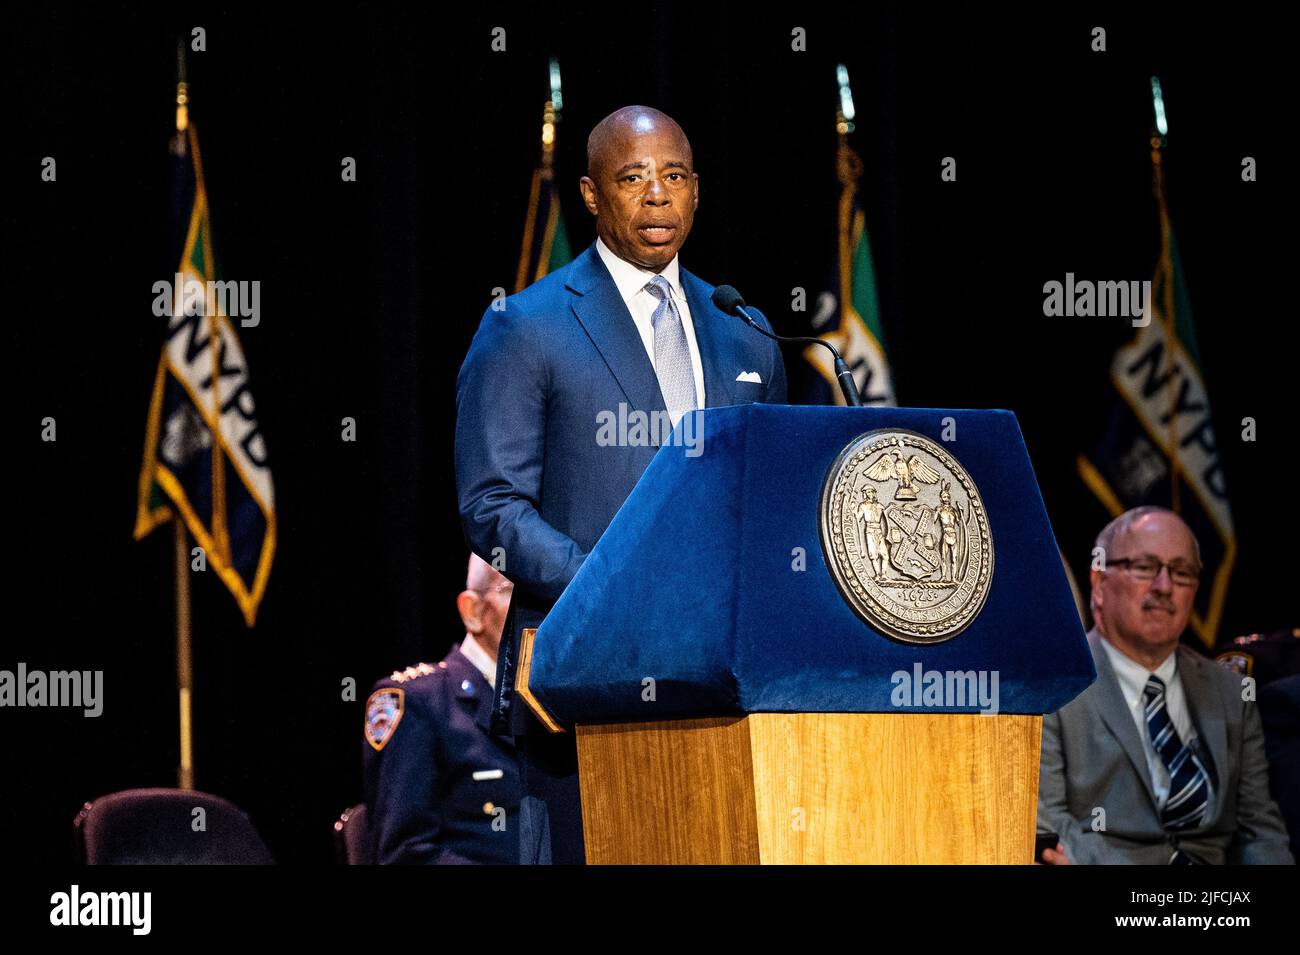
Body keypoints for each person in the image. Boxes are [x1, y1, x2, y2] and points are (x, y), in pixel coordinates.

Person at [455, 105, 787, 863]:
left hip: (726, 685)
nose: (657, 194)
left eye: (674, 175)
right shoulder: (526, 326)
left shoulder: (746, 330)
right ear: (591, 194)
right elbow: (492, 505)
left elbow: (768, 499)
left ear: (696, 190)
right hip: (585, 677)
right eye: (633, 178)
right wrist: (609, 586)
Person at [1037, 506, 1292, 864]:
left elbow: (1259, 831)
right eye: (1145, 567)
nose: (1164, 587)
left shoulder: (1232, 692)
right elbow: (1049, 825)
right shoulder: (1054, 687)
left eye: (1182, 572)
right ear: (1098, 581)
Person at [361, 554, 519, 864]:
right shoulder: (415, 702)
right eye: (515, 591)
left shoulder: (549, 703)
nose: (539, 610)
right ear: (473, 611)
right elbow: (407, 853)